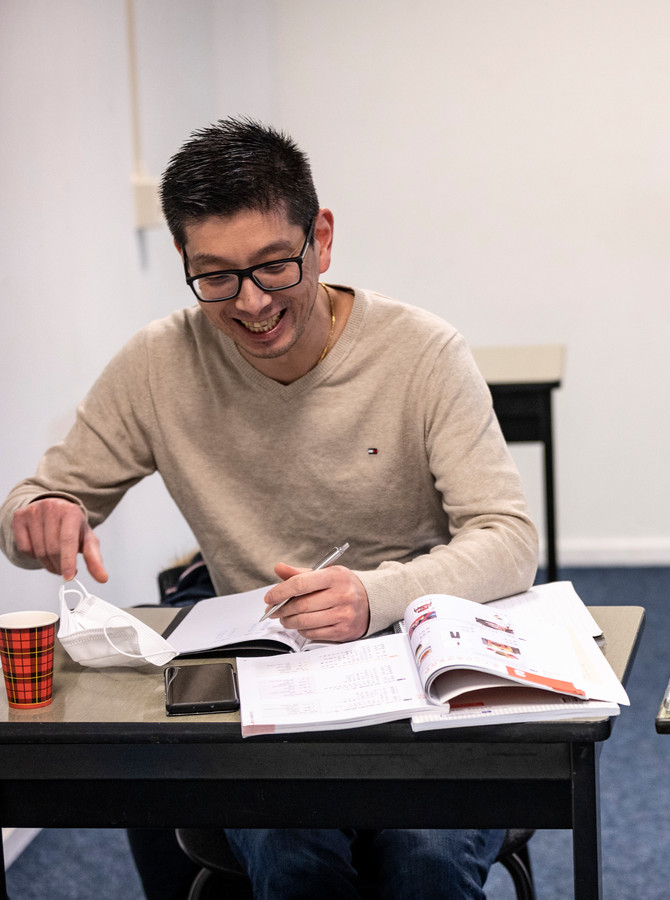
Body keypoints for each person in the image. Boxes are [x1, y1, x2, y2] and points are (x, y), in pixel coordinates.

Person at [0, 118, 539, 900]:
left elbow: (509, 537)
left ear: (320, 238)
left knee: (421, 860)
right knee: (290, 856)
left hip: (418, 660)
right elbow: (36, 502)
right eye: (216, 276)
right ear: (185, 262)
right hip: (263, 679)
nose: (252, 303)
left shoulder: (422, 352)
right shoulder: (160, 361)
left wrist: (372, 595)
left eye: (274, 266)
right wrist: (39, 511)